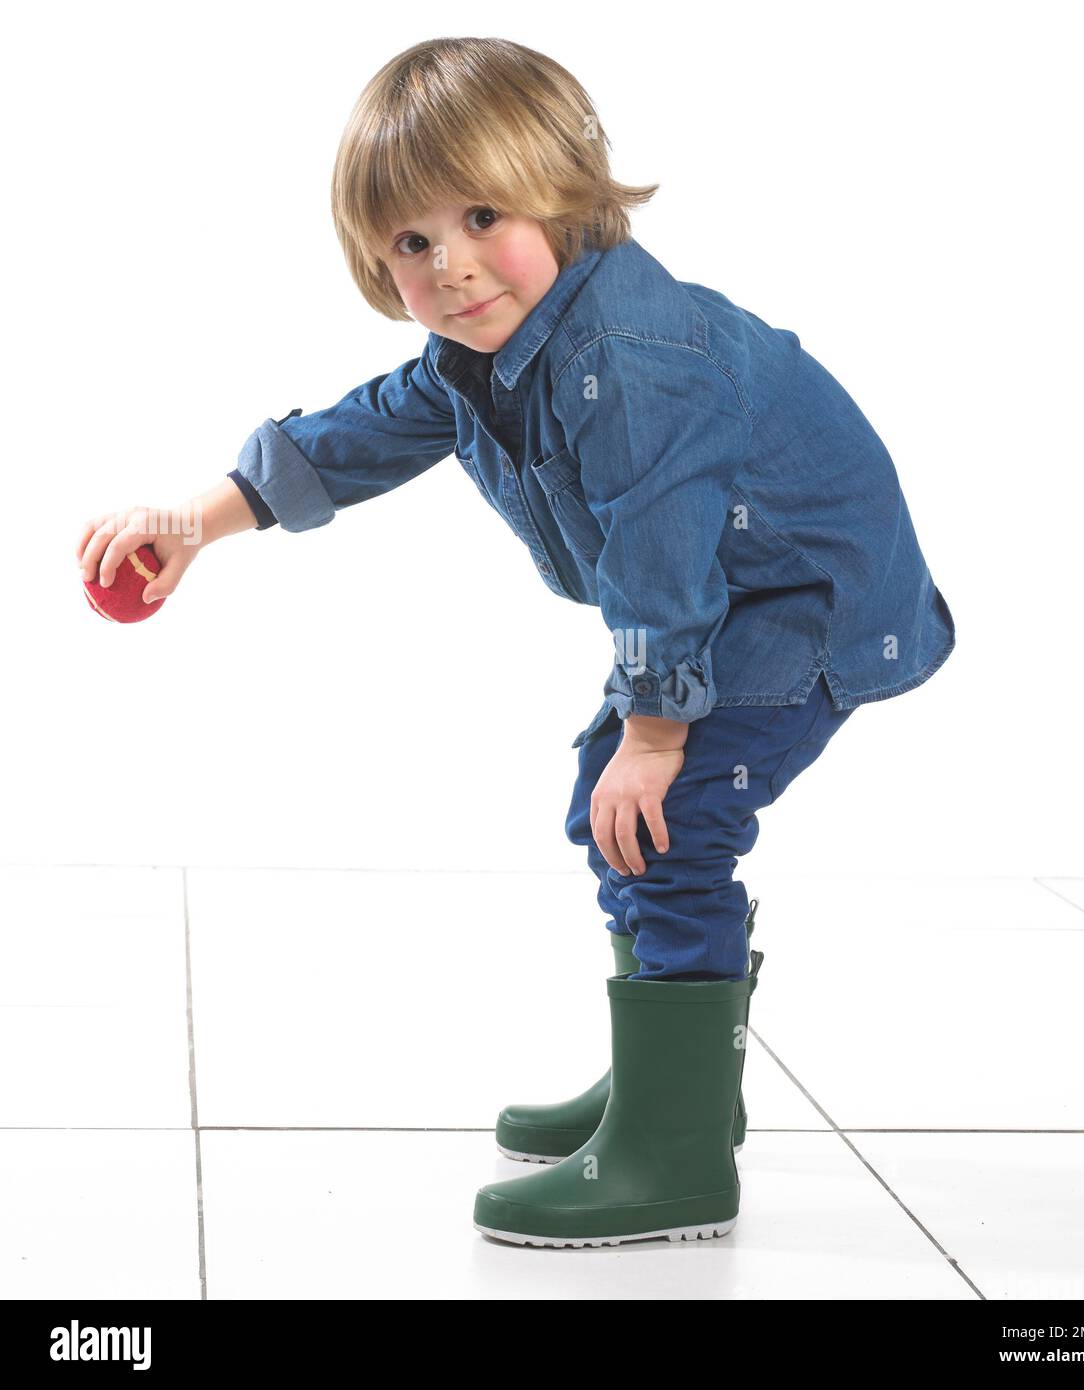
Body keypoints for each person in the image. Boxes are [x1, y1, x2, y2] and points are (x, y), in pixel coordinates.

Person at [75, 36, 955, 1250]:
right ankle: (668, 1079)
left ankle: (677, 1147)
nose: (452, 266)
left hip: (804, 601)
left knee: (667, 819)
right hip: (714, 598)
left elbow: (660, 543)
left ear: (564, 190)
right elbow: (361, 432)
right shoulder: (486, 351)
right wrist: (204, 522)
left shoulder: (631, 360)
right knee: (612, 807)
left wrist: (653, 734)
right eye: (411, 242)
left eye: (482, 215)